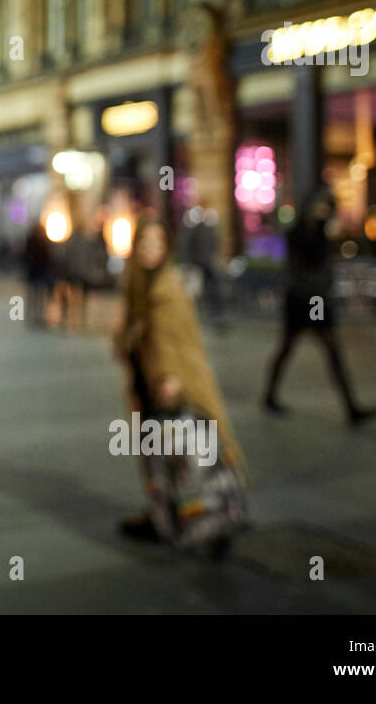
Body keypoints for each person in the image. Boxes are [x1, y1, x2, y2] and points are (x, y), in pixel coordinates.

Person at [111, 218, 248, 554]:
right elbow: (135, 330)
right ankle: (163, 516)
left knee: (187, 454)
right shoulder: (137, 281)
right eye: (145, 242)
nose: (150, 249)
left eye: (157, 243)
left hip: (171, 381)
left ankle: (209, 520)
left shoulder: (167, 286)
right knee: (156, 452)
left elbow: (175, 339)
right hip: (147, 380)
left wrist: (171, 377)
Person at [263, 187, 376, 425]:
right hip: (299, 300)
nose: (323, 210)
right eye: (321, 205)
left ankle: (351, 408)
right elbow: (297, 268)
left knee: (333, 352)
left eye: (327, 206)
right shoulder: (297, 233)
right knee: (286, 349)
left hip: (317, 300)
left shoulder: (322, 233)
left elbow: (324, 266)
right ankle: (269, 396)